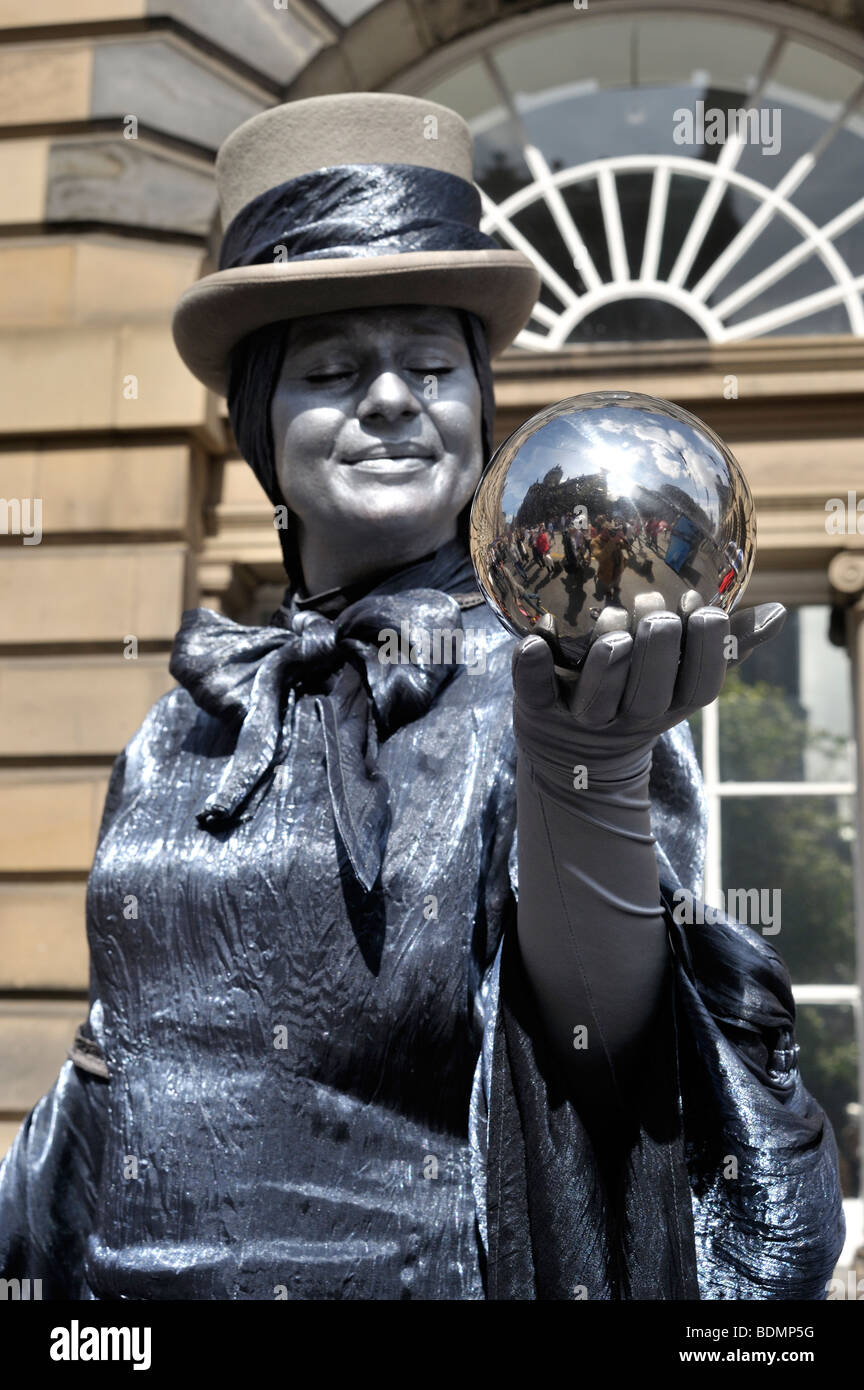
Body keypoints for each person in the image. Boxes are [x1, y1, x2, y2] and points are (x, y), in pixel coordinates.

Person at [0, 93, 843, 1301]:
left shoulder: (550, 689)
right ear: (260, 424)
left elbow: (610, 1077)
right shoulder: (181, 728)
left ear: (478, 405)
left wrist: (585, 778)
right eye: (335, 368)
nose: (391, 397)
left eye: (431, 363)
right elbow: (113, 1073)